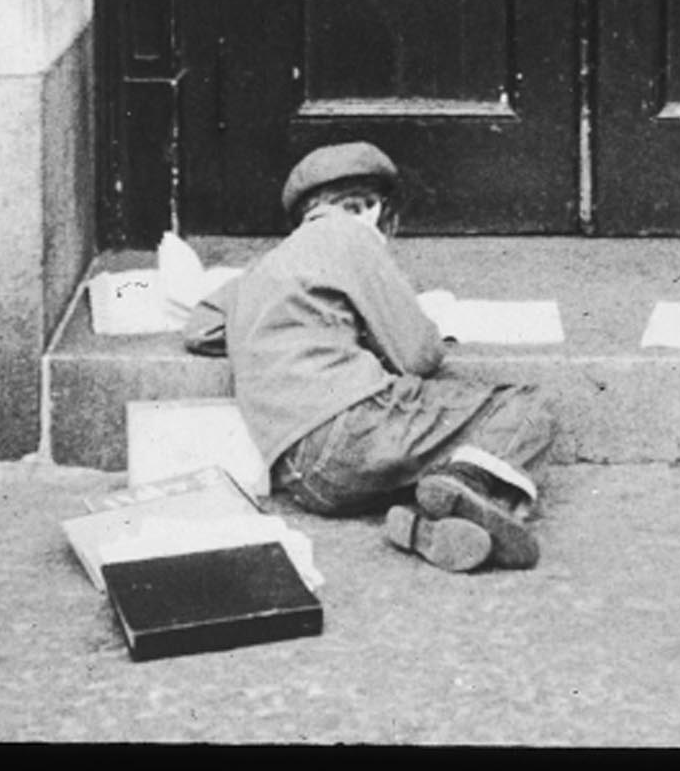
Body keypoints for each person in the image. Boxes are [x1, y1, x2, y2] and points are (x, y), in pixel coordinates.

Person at [184, 140, 554, 574]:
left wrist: (285, 330)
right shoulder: (350, 234)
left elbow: (200, 329)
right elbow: (419, 355)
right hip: (352, 425)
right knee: (526, 407)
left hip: (301, 475)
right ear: (367, 208)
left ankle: (424, 523)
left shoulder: (262, 268)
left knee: (414, 459)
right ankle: (470, 490)